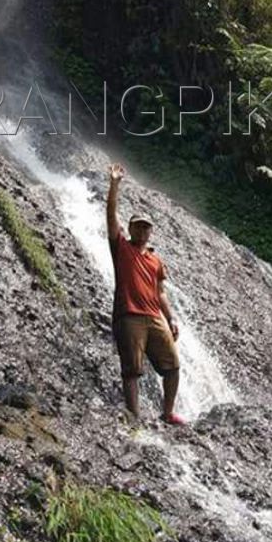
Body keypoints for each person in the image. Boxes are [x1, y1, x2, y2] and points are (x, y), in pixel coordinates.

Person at [107, 162, 185, 425]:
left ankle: (167, 413)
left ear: (150, 231)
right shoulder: (121, 248)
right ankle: (134, 417)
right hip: (129, 316)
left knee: (173, 366)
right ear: (130, 229)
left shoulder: (155, 260)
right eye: (137, 226)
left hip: (154, 317)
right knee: (132, 370)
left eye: (145, 227)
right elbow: (111, 216)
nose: (141, 230)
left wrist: (171, 318)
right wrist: (114, 185)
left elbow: (160, 291)